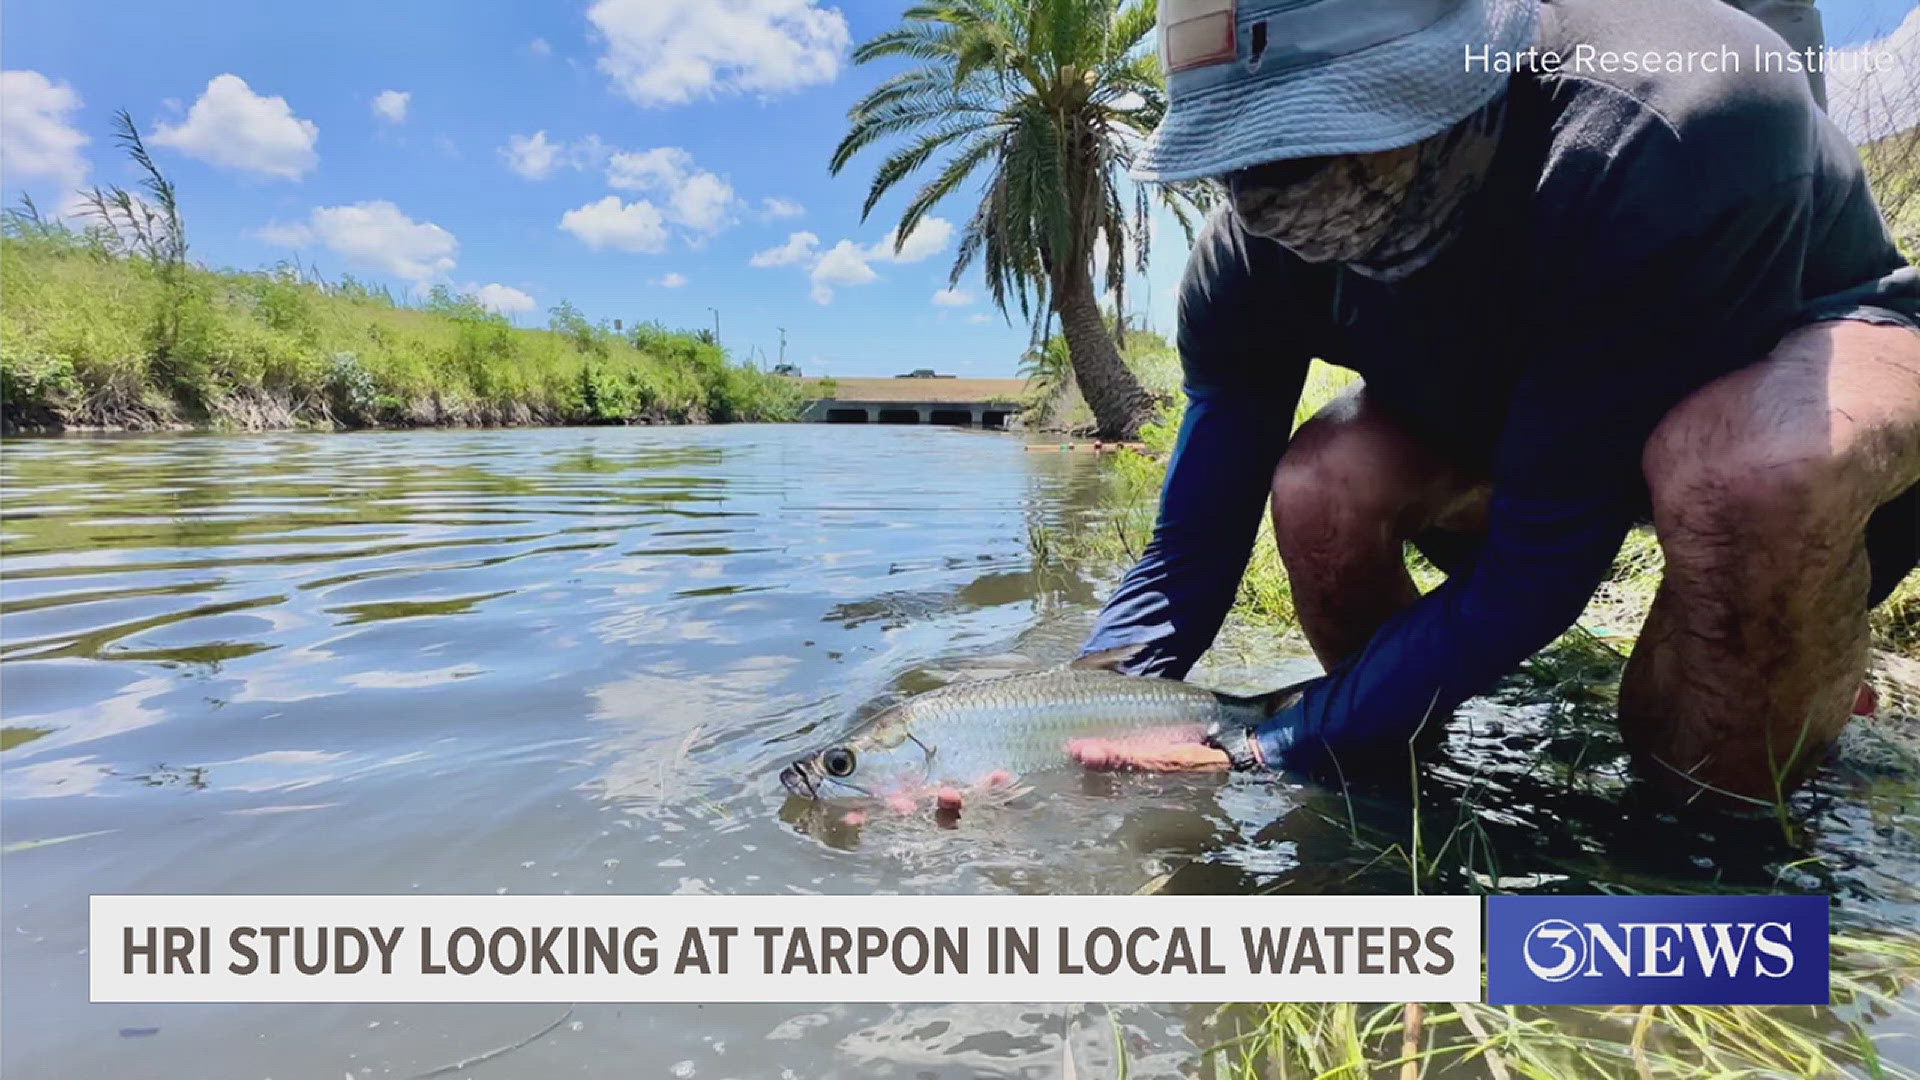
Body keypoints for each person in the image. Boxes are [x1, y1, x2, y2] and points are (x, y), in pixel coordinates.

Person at [1070, 0, 1920, 806]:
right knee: (1321, 488)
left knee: (1745, 484)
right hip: (1532, 416)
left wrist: (1268, 745)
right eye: (1239, 158)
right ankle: (1397, 762)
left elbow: (1539, 565)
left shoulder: (1673, 116)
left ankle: (1721, 849)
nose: (1273, 193)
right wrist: (1061, 722)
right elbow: (1189, 553)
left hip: (1802, 355)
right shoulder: (1247, 260)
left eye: (1313, 135)